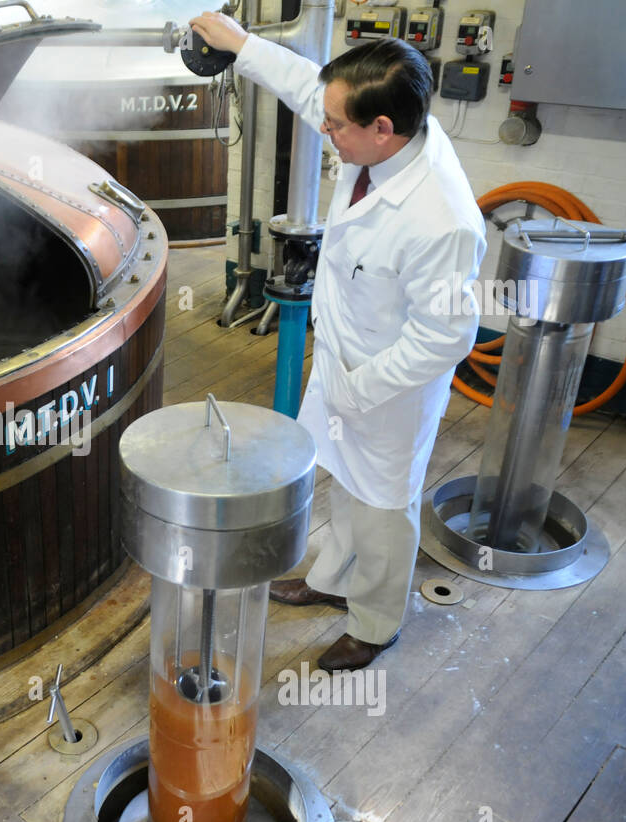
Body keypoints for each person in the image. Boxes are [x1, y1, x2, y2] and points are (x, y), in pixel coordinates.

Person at [190, 12, 487, 672]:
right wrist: (240, 45)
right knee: (341, 478)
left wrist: (360, 387)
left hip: (389, 387)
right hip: (345, 354)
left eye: (335, 127)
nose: (324, 133)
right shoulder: (378, 135)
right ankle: (332, 578)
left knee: (382, 505)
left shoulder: (441, 219)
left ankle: (376, 622)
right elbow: (309, 87)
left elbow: (448, 335)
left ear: (382, 129)